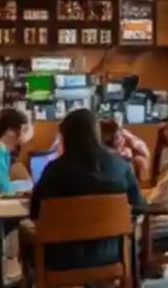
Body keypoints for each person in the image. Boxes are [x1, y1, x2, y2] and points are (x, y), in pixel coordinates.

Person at [31, 109, 145, 273]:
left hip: (61, 257)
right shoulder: (120, 166)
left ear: (66, 137)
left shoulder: (54, 171)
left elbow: (36, 213)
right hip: (112, 252)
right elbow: (138, 204)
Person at [99, 118, 152, 182]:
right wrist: (122, 155)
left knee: (138, 160)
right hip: (111, 179)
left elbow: (145, 153)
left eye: (121, 135)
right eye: (117, 137)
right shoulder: (102, 148)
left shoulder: (126, 138)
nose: (121, 139)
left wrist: (132, 140)